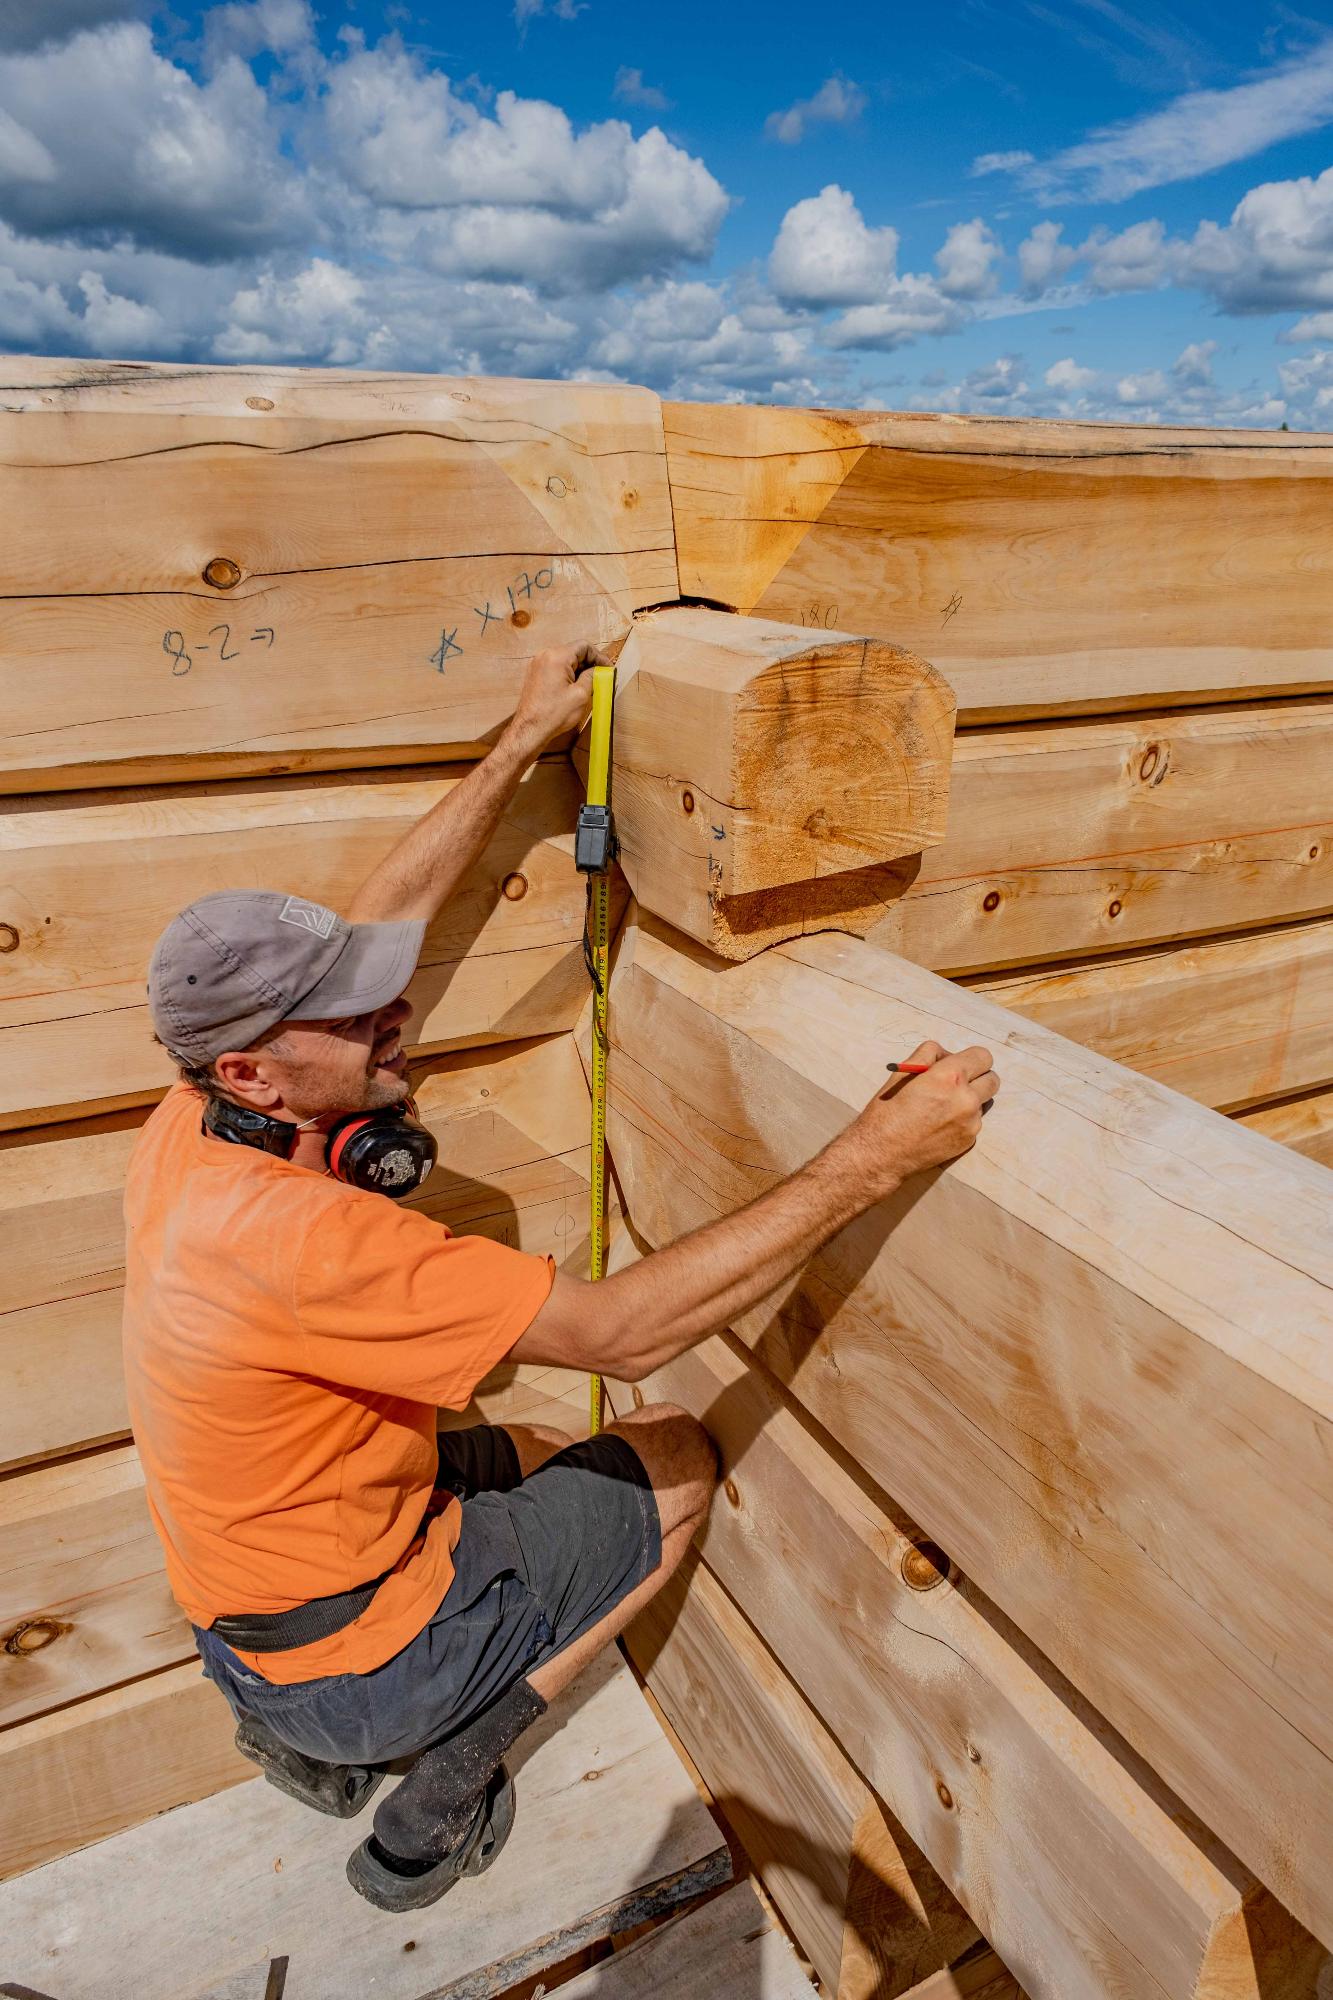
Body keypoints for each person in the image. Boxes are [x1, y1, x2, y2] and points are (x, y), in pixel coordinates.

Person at [123, 641, 999, 1913]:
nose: (395, 1015)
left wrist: (523, 740)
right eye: (355, 1016)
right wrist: (873, 1155)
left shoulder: (189, 1121)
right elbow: (628, 1329)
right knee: (679, 1459)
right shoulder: (304, 1238)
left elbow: (386, 910)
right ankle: (439, 1787)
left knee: (536, 1445)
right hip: (358, 1652)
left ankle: (312, 1749)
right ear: (256, 1075)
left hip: (253, 1618)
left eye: (377, 995)